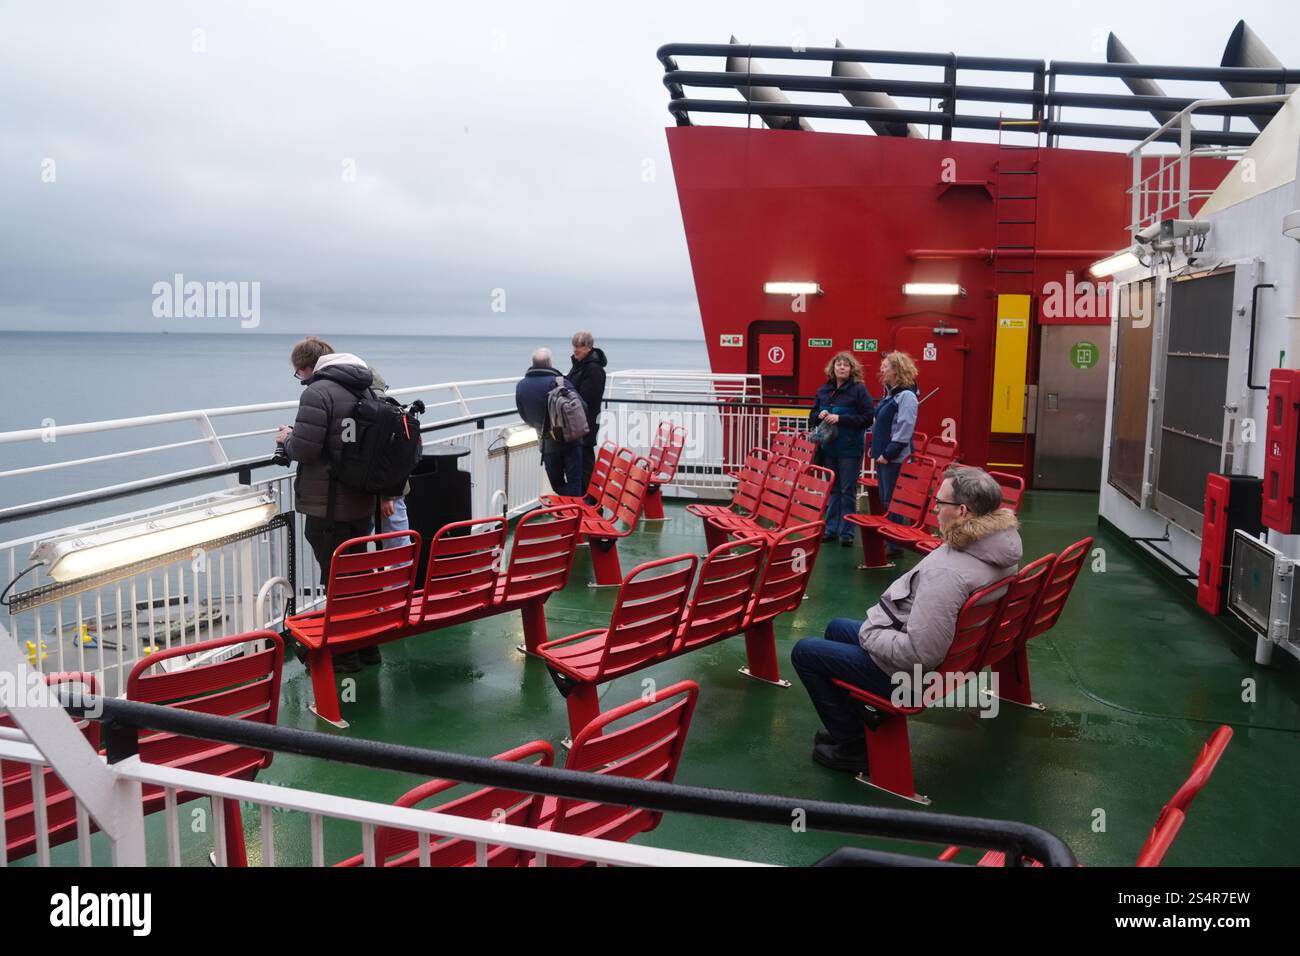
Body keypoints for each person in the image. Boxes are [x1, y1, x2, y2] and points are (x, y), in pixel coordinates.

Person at [790, 466, 1022, 773]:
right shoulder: (1000, 549)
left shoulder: (948, 572)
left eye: (941, 503)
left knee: (805, 652)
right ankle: (856, 722)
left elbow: (921, 654)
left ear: (962, 511)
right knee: (835, 628)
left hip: (913, 680)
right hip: (959, 659)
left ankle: (855, 745)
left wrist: (871, 635)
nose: (936, 509)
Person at [277, 336, 381, 673]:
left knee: (336, 579)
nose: (301, 380)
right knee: (357, 576)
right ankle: (367, 648)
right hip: (362, 501)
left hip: (328, 504)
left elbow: (306, 450)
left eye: (299, 373)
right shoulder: (365, 387)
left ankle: (344, 656)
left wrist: (287, 439)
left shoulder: (317, 393)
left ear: (307, 367)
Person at [809, 351, 874, 546]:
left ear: (852, 369)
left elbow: (867, 418)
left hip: (850, 450)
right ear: (833, 367)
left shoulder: (859, 391)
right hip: (829, 449)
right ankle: (830, 530)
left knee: (847, 490)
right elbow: (811, 416)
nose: (842, 367)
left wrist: (840, 418)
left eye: (846, 365)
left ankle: (846, 533)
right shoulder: (823, 391)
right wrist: (819, 414)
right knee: (833, 490)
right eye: (839, 364)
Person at [515, 347, 585, 497]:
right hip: (570, 441)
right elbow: (582, 407)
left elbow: (524, 415)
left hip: (547, 444)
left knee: (557, 485)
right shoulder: (560, 382)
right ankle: (575, 514)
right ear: (550, 363)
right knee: (575, 482)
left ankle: (568, 512)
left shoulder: (521, 386)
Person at [870, 351, 920, 559]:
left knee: (894, 500)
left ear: (897, 370)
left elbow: (904, 427)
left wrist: (889, 454)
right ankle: (892, 539)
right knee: (887, 498)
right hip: (884, 455)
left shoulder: (906, 396)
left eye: (886, 366)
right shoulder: (892, 394)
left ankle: (895, 543)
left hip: (894, 458)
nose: (882, 369)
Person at [566, 331, 607, 492]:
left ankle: (592, 499)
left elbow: (587, 398)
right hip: (578, 423)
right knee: (581, 461)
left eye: (579, 346)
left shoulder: (594, 370)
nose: (575, 350)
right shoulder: (580, 366)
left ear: (588, 348)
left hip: (586, 423)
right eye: (574, 345)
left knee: (586, 461)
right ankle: (585, 496)